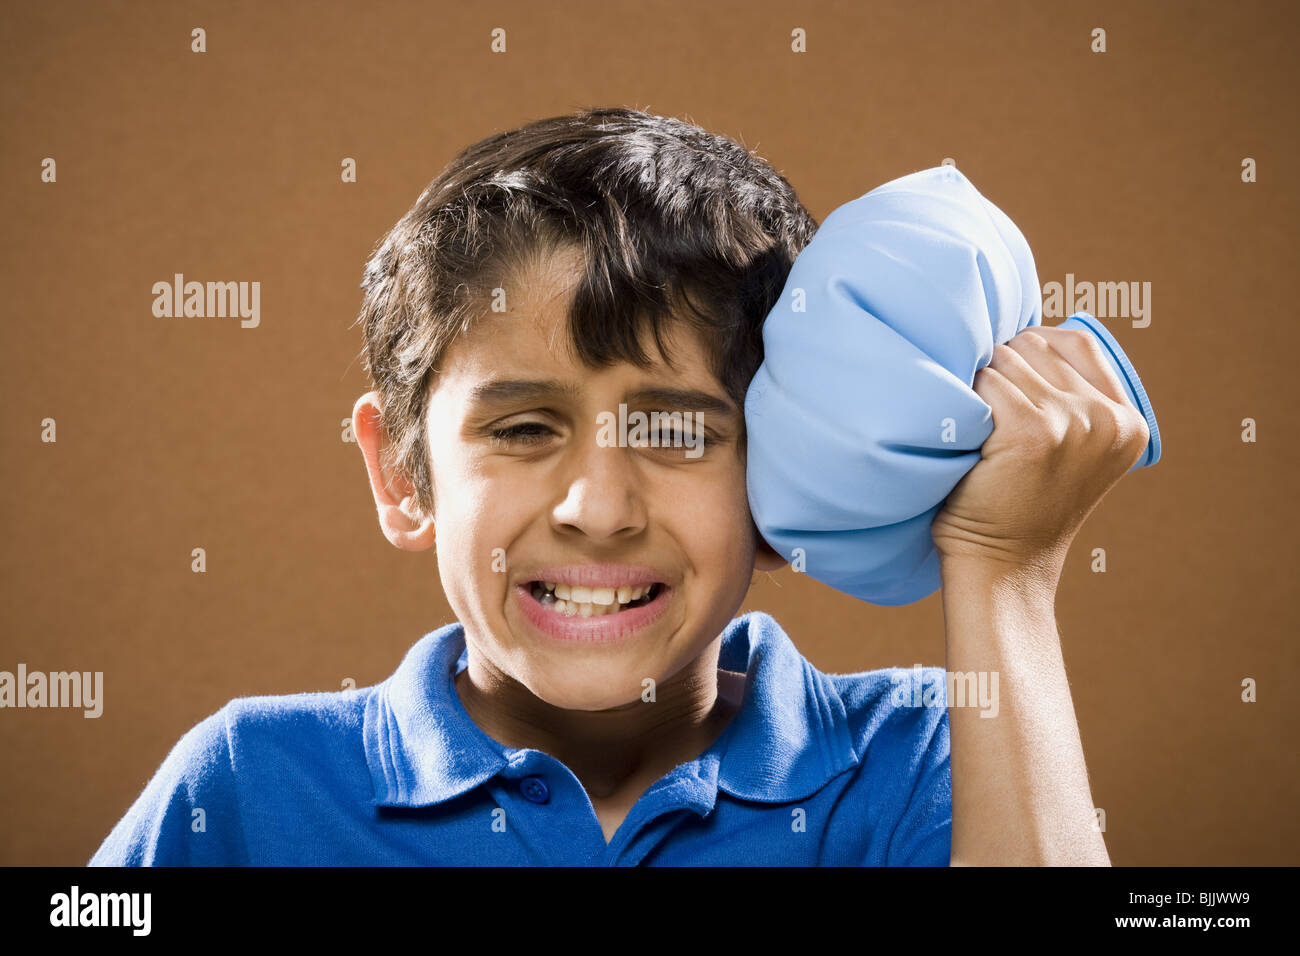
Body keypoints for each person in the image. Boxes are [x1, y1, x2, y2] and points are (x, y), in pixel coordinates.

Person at [90, 107, 1140, 866]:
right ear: (406, 473)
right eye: (523, 426)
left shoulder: (929, 759)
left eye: (677, 429)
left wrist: (1003, 574)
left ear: (785, 478)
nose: (597, 506)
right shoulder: (245, 787)